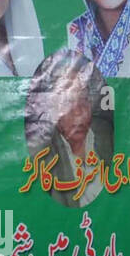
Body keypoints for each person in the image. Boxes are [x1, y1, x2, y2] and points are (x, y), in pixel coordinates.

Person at [24, 50, 113, 207]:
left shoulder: (106, 135)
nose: (78, 111)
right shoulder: (42, 156)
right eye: (68, 102)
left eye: (84, 100)